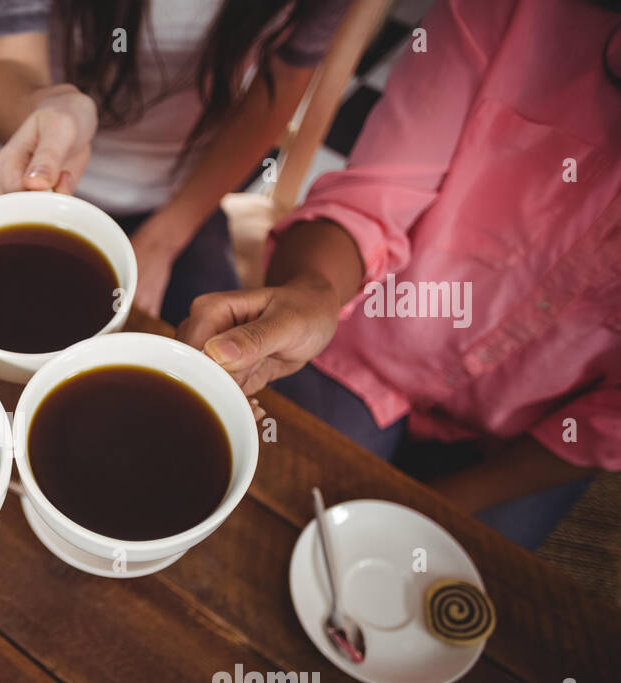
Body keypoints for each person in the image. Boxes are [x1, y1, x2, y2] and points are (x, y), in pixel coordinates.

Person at [179, 0, 621, 549]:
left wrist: (442, 506)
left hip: (537, 443)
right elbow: (369, 203)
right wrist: (311, 294)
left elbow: (609, 423)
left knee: (457, 593)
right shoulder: (509, 14)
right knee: (261, 524)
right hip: (365, 355)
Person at [0, 0, 349, 322]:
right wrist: (46, 110)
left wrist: (162, 241)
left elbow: (280, 88)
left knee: (211, 344)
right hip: (16, 164)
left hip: (180, 199)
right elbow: (10, 63)